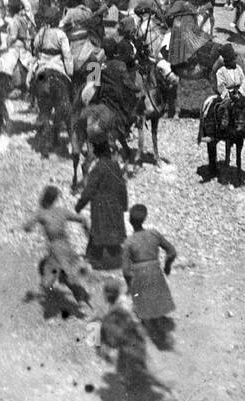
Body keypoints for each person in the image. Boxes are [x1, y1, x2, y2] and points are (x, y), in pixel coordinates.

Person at [21, 185, 93, 311]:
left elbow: (27, 227)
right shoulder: (62, 211)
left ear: (43, 198)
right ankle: (80, 298)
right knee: (69, 273)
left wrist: (27, 226)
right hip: (67, 247)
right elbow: (82, 218)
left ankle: (46, 294)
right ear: (55, 199)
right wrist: (87, 232)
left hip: (55, 249)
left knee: (50, 276)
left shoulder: (41, 214)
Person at [122, 203, 177, 349]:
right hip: (155, 270)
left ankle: (153, 332)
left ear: (130, 221)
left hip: (139, 275)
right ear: (145, 218)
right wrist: (167, 267)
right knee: (157, 301)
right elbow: (172, 252)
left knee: (144, 307)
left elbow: (126, 271)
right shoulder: (154, 234)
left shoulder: (129, 242)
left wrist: (130, 287)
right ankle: (162, 335)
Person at [75, 137, 129, 269]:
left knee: (99, 233)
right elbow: (122, 186)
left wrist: (79, 205)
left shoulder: (98, 169)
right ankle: (114, 260)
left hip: (101, 208)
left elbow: (89, 190)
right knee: (113, 235)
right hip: (115, 207)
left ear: (97, 153)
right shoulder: (115, 167)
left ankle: (97, 261)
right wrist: (124, 205)